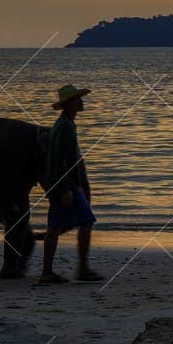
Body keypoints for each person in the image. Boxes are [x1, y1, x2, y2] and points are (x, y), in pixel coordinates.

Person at [40, 84, 103, 284]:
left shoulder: (66, 124)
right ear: (69, 104)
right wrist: (65, 189)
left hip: (62, 185)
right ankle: (81, 269)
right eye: (78, 99)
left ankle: (48, 272)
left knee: (55, 227)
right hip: (65, 186)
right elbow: (59, 160)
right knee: (86, 221)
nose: (81, 102)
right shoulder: (65, 127)